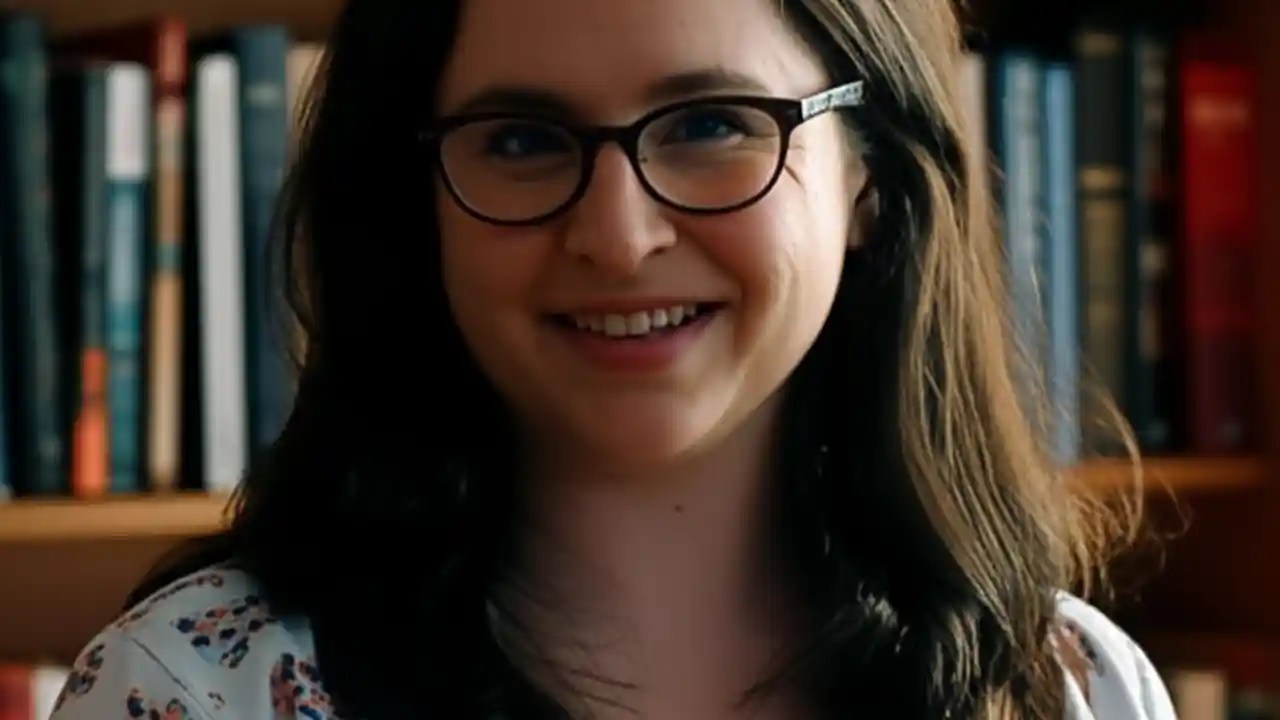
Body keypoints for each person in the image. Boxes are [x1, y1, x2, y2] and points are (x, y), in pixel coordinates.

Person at [50, 0, 1178, 717]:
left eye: (708, 125)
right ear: (416, 207)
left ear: (866, 180)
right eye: (523, 143)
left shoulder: (1074, 689)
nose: (618, 235)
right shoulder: (198, 692)